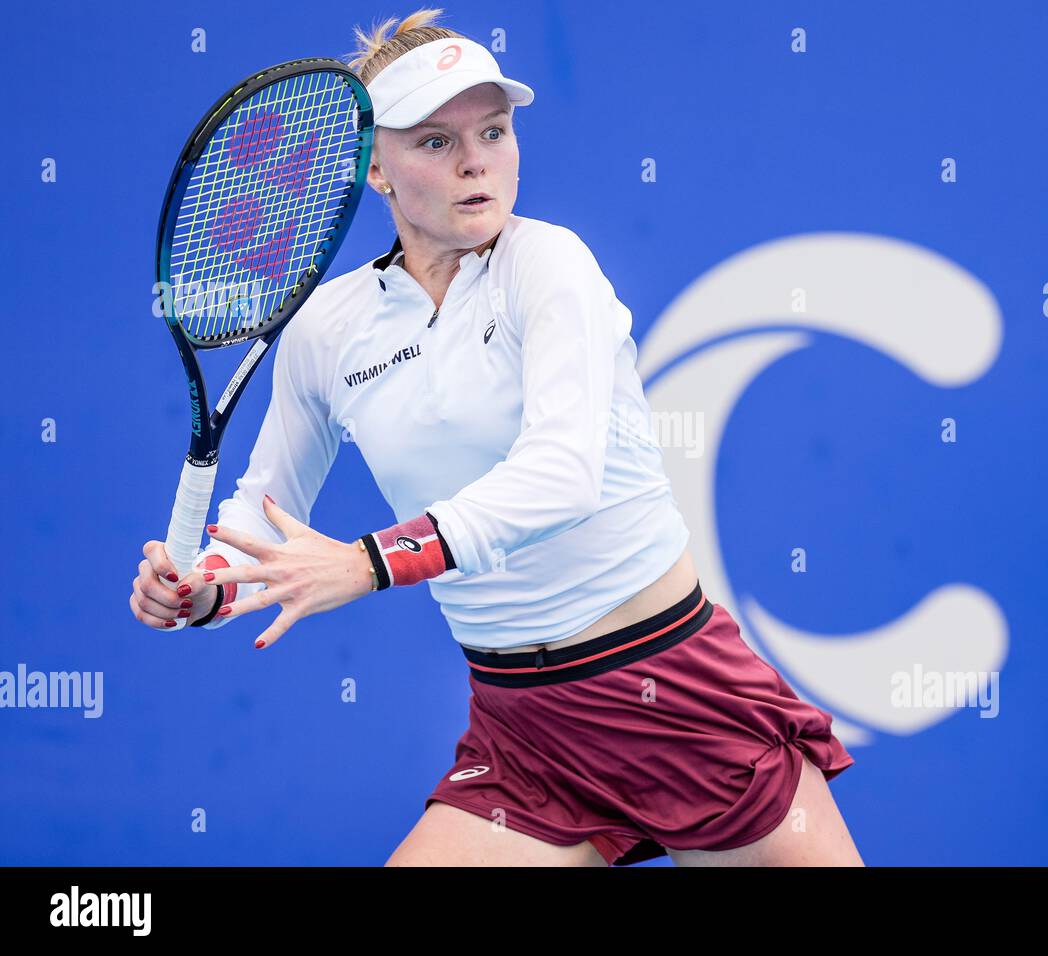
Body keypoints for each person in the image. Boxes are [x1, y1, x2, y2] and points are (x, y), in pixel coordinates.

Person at [129, 7, 862, 867]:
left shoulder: (548, 265)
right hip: (523, 726)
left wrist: (368, 562)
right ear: (374, 170)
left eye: (495, 130)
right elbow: (262, 520)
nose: (477, 160)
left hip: (674, 690)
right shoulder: (329, 328)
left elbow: (559, 476)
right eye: (436, 142)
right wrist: (204, 588)